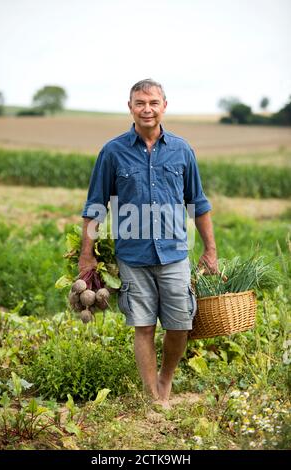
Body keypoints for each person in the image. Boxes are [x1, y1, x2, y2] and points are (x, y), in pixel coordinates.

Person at [78, 79, 218, 409]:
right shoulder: (112, 152)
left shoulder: (182, 150)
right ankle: (153, 398)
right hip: (133, 255)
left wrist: (210, 250)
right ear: (130, 107)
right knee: (142, 326)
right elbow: (96, 205)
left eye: (153, 102)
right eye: (140, 103)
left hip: (173, 253)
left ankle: (165, 379)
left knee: (179, 325)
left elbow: (198, 202)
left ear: (164, 106)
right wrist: (88, 255)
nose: (147, 109)